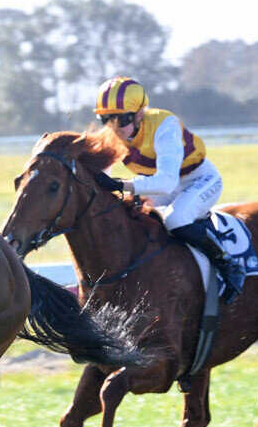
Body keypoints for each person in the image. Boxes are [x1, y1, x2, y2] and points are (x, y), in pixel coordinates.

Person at [92, 76, 245, 302]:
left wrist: (122, 185)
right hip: (161, 185)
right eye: (106, 119)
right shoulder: (113, 134)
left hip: (198, 179)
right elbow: (99, 176)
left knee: (176, 219)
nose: (114, 128)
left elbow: (167, 182)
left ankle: (228, 264)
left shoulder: (164, 125)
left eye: (121, 119)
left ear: (139, 115)